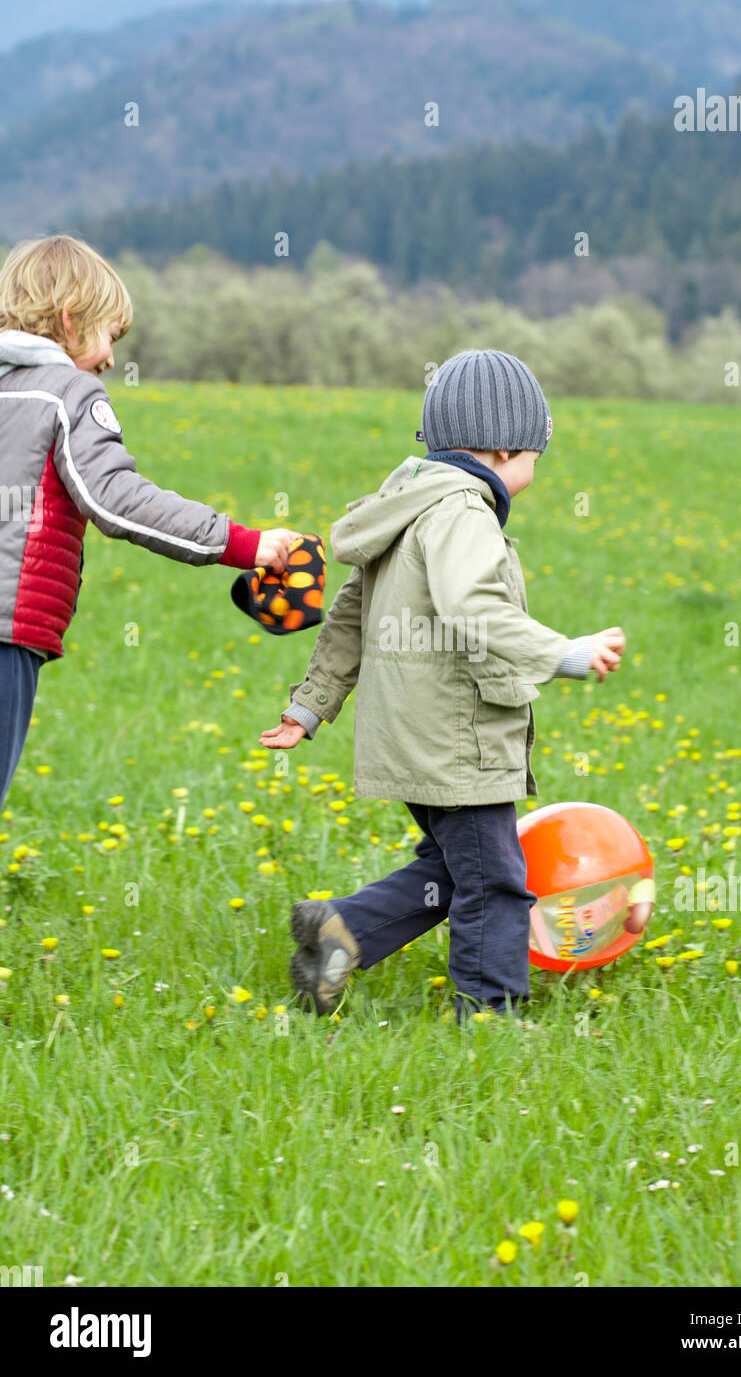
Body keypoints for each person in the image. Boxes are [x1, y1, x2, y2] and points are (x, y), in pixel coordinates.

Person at [261, 348, 630, 1021]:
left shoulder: (406, 504)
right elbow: (472, 607)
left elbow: (348, 615)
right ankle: (489, 1017)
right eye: (536, 457)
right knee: (493, 883)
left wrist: (309, 705)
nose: (535, 472)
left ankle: (339, 932)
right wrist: (562, 653)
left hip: (410, 737)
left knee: (451, 872)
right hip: (459, 740)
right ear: (504, 448)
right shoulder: (462, 512)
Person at [0, 234, 303, 806]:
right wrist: (243, 543)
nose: (113, 358)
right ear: (69, 320)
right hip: (7, 631)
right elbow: (115, 498)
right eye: (110, 336)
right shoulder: (69, 391)